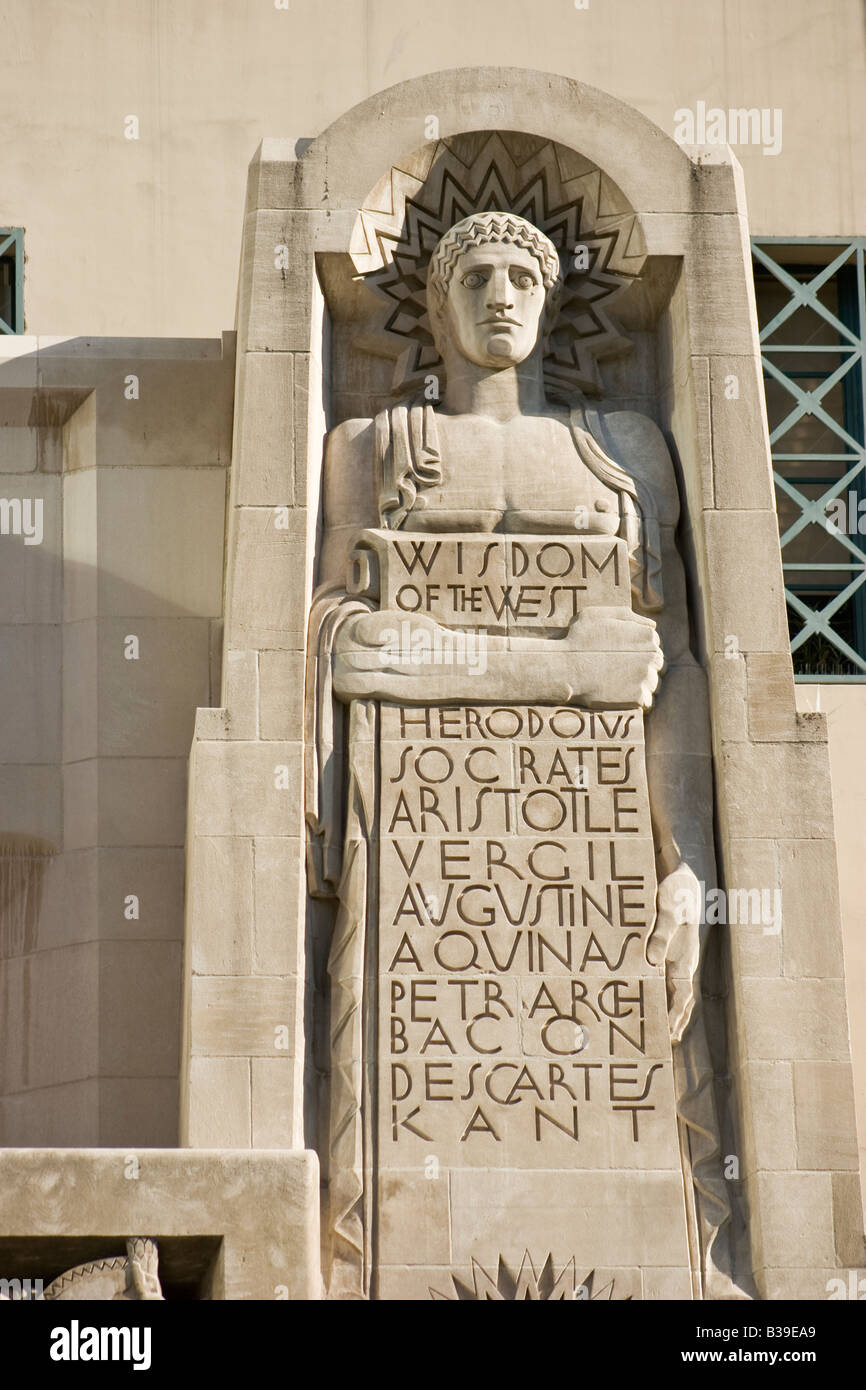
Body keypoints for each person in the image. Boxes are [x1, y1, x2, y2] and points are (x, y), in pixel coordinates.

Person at [307, 211, 736, 1299]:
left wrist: (684, 861)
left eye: (521, 276)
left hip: (608, 858)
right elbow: (342, 645)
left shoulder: (622, 450)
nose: (500, 294)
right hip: (404, 847)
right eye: (476, 276)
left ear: (551, 303)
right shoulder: (370, 449)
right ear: (434, 306)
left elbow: (672, 664)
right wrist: (559, 668)